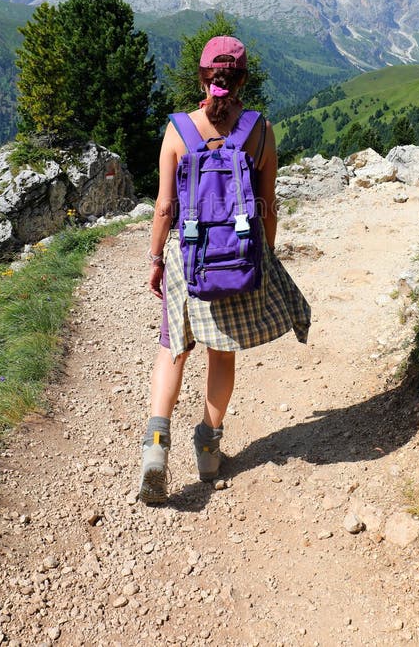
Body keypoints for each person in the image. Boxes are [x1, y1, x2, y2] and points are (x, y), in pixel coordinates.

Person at [140, 36, 311, 504]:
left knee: (172, 349)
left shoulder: (178, 130)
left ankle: (156, 450)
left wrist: (157, 259)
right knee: (221, 355)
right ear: (242, 81)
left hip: (189, 259)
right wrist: (265, 253)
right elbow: (268, 204)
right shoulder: (260, 131)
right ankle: (209, 449)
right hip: (237, 257)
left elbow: (163, 207)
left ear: (202, 77)